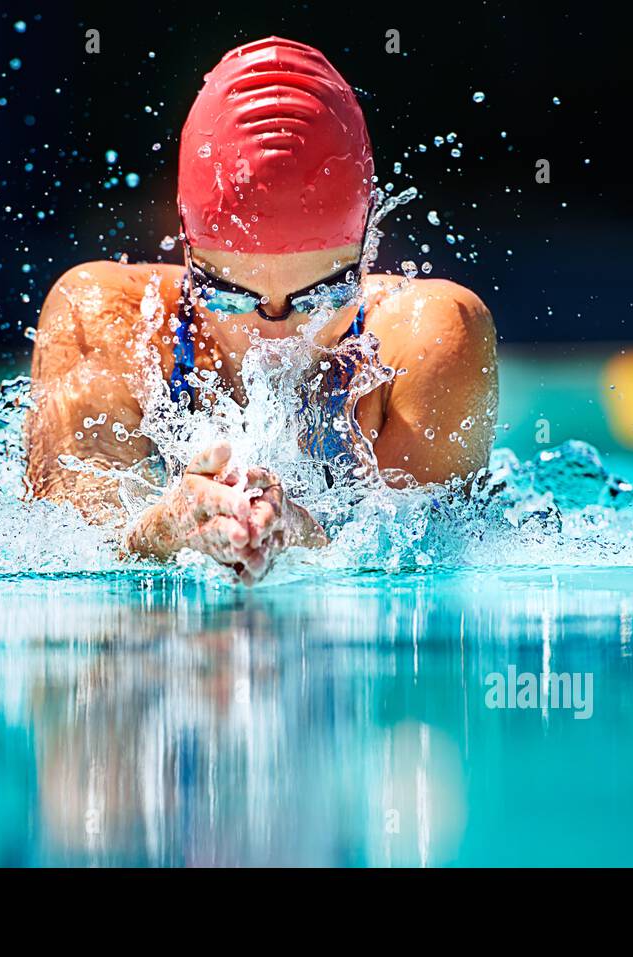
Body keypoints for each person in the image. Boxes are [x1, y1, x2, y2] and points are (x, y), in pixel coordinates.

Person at [25, 37, 497, 583]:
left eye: (321, 295)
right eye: (231, 295)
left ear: (368, 250)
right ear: (186, 251)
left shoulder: (432, 335)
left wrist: (305, 534)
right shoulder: (104, 317)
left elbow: (421, 570)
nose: (275, 333)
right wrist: (160, 529)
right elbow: (63, 564)